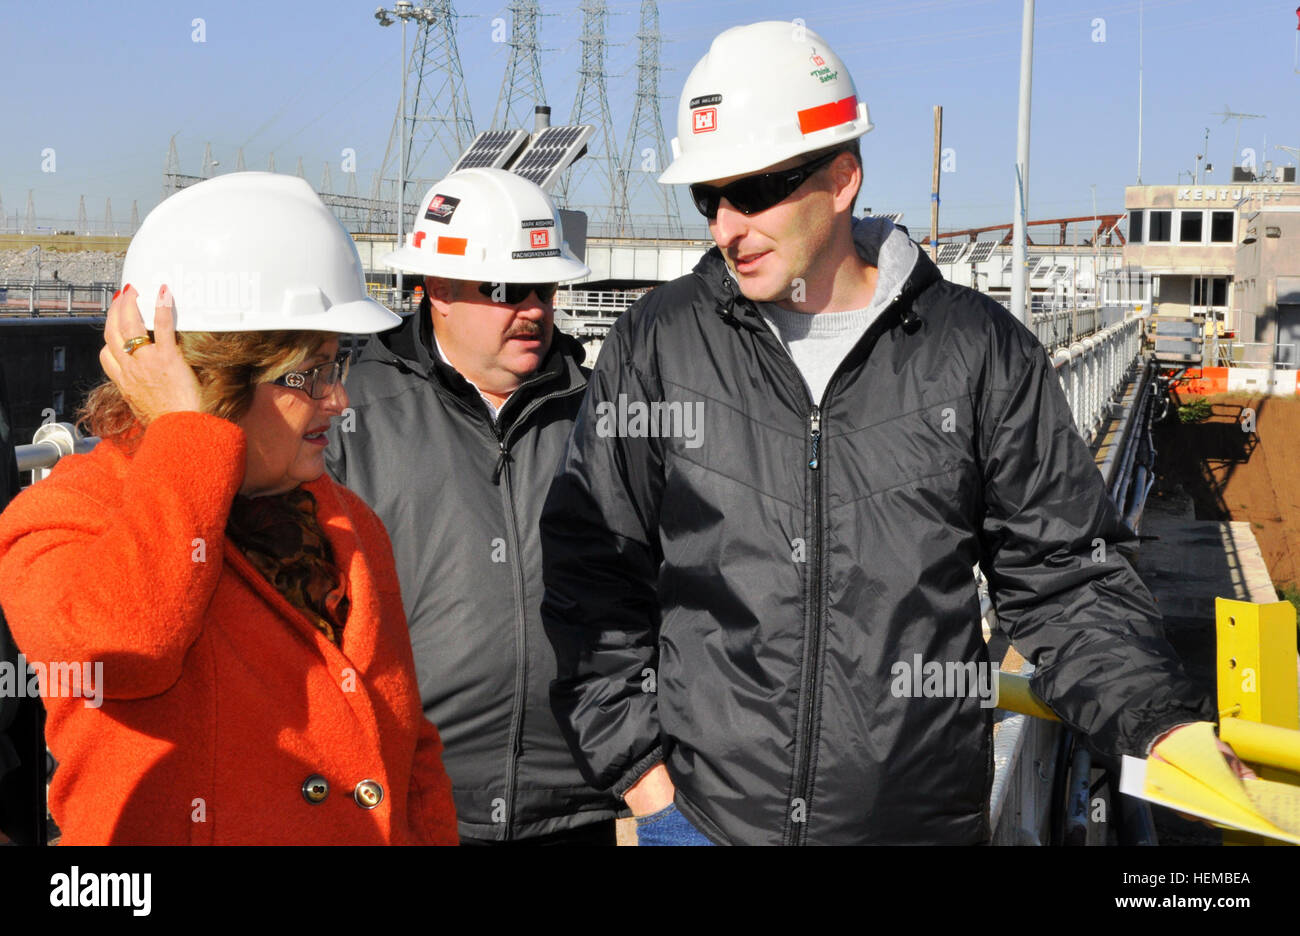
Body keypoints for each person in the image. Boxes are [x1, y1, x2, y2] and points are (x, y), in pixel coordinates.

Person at [539, 21, 1235, 845]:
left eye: (756, 190)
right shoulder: (660, 344)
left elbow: (1065, 576)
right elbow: (592, 578)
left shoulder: (975, 353)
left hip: (919, 826)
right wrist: (651, 797)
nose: (728, 226)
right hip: (713, 823)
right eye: (709, 198)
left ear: (842, 177)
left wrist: (1156, 721)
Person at [0, 172, 458, 845]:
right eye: (312, 374)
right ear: (212, 375)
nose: (340, 400)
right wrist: (187, 436)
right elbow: (125, 646)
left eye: (341, 364)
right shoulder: (69, 514)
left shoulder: (347, 524)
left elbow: (407, 748)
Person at [326, 167, 621, 844]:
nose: (535, 309)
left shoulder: (601, 415)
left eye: (543, 288)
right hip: (413, 806)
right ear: (437, 291)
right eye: (506, 289)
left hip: (577, 805)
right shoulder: (351, 417)